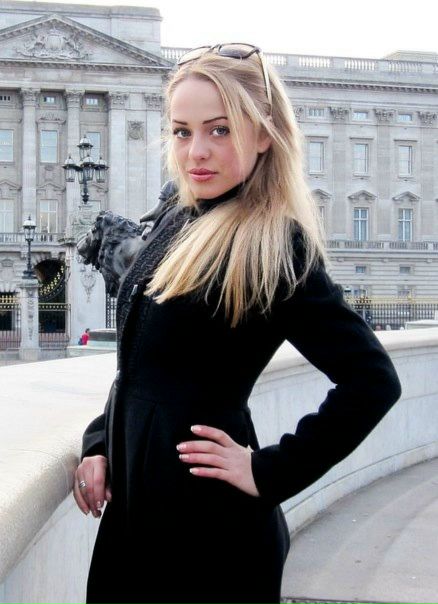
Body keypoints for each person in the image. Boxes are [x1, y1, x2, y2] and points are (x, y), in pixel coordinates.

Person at [74, 43, 401, 604]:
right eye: (182, 132)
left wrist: (270, 471)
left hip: (211, 537)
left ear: (264, 134)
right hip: (135, 515)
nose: (196, 151)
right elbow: (142, 365)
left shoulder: (275, 245)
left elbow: (373, 381)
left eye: (220, 130)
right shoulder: (179, 215)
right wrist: (99, 441)